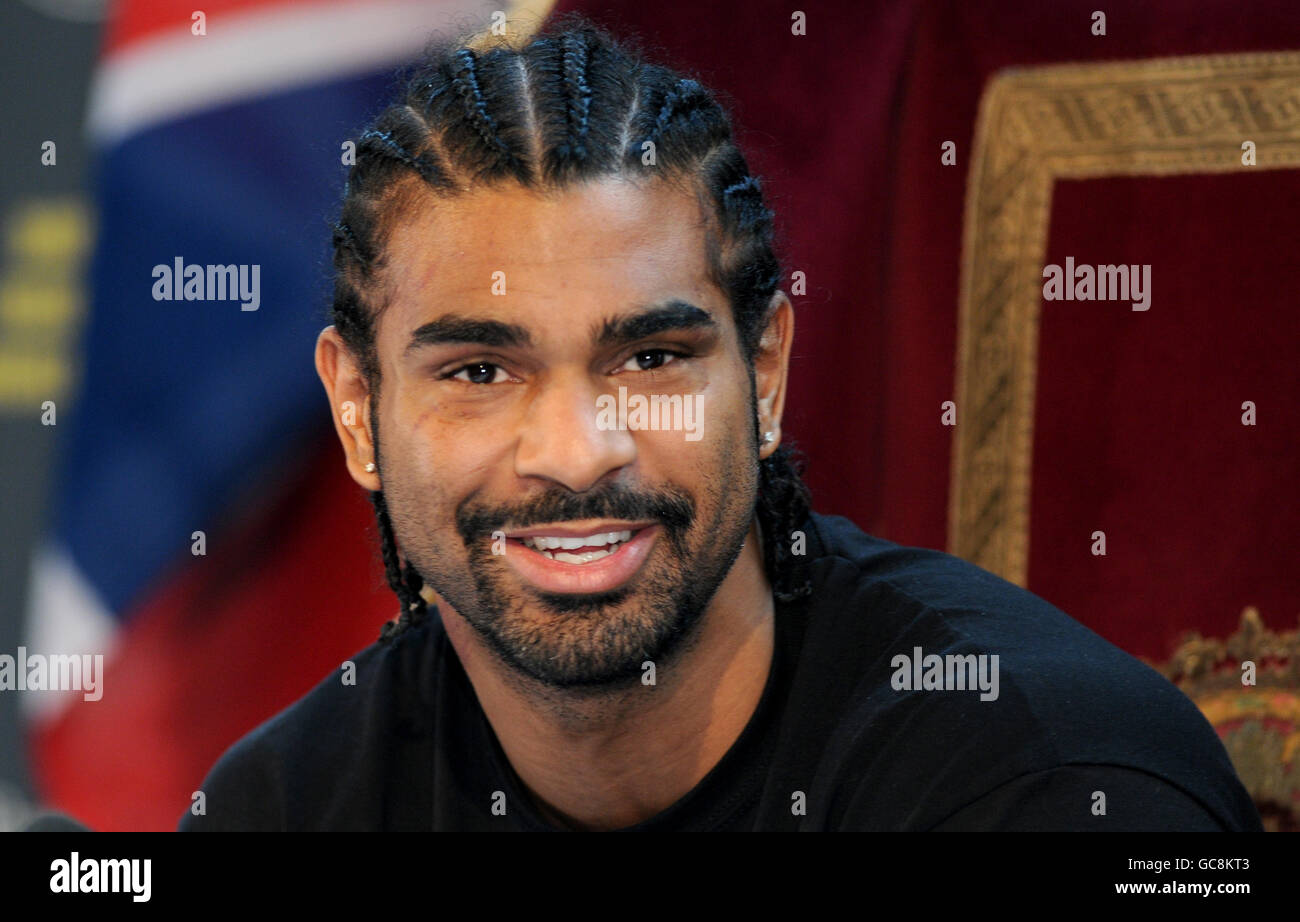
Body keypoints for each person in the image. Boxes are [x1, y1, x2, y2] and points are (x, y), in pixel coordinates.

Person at [178, 16, 1261, 831]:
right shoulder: (280, 807)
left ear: (765, 373)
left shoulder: (1055, 782)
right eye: (480, 369)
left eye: (649, 357)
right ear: (358, 412)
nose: (574, 450)